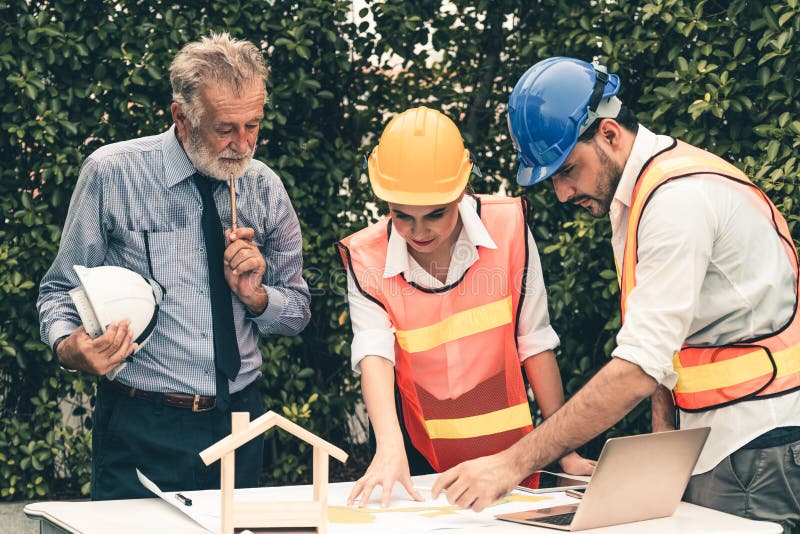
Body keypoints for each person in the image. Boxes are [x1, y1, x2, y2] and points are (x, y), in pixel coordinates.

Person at [431, 57, 800, 530]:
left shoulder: (675, 201)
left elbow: (637, 369)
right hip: (727, 446)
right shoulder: (647, 191)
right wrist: (665, 451)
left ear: (608, 134)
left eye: (567, 171)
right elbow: (670, 349)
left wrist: (511, 463)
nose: (562, 193)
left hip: (756, 446)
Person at [37, 32, 311, 500]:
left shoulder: (264, 188)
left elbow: (298, 311)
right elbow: (59, 290)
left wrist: (257, 297)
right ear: (181, 117)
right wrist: (70, 347)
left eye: (253, 126)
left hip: (240, 417)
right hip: (141, 420)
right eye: (224, 128)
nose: (242, 145)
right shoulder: (112, 173)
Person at [336, 106, 595, 508]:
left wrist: (563, 449)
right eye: (401, 216)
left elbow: (535, 342)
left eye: (435, 214)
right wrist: (388, 448)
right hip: (421, 460)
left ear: (461, 191)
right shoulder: (365, 256)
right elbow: (374, 354)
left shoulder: (508, 225)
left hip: (513, 459)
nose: (418, 232)